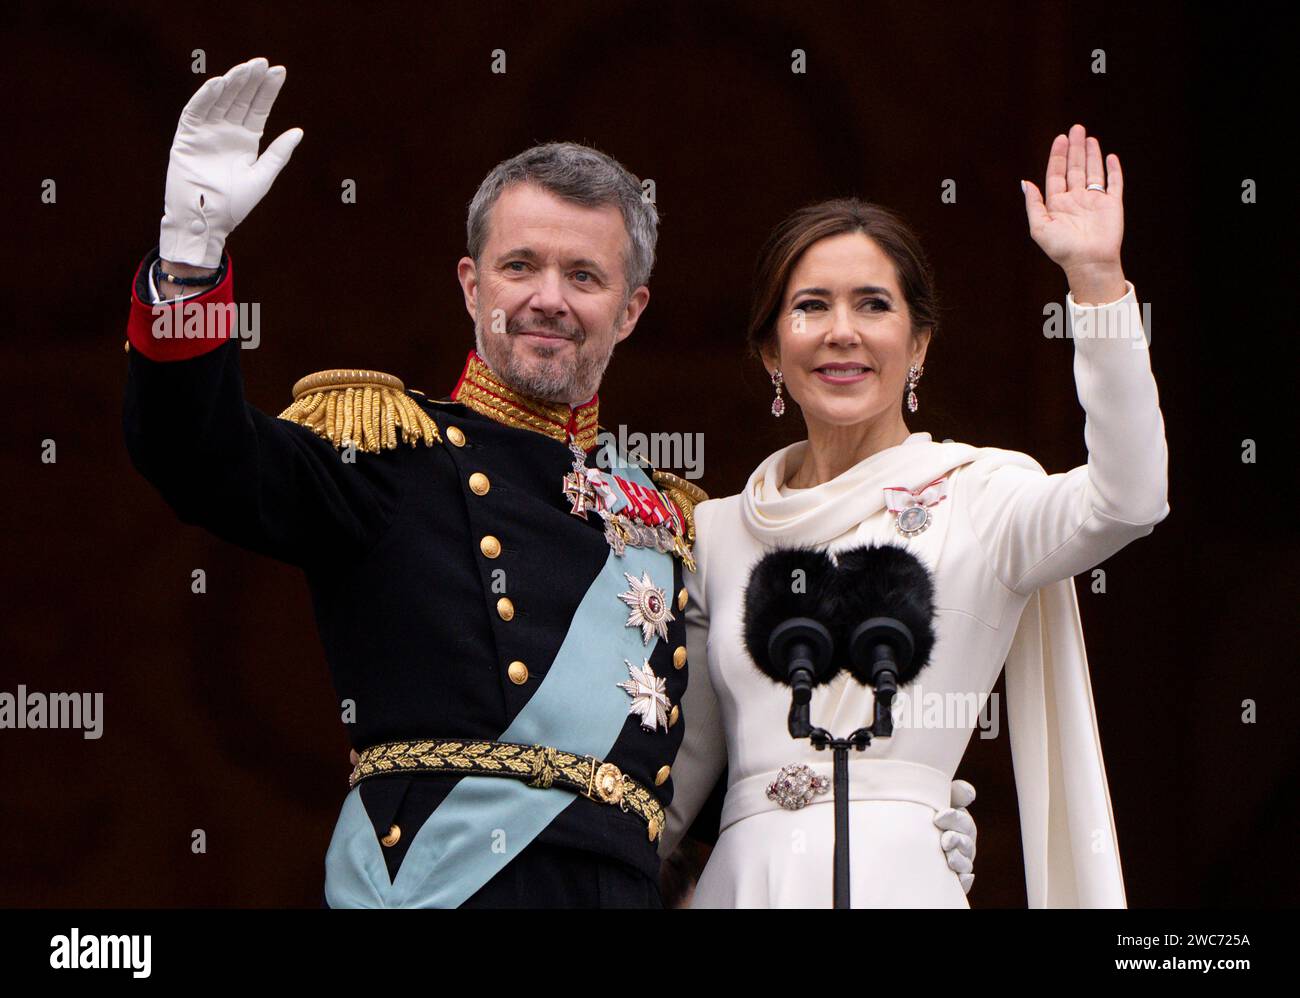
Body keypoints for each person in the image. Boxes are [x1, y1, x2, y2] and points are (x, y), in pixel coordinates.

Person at [122, 56, 977, 908]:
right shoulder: (386, 452)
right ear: (471, 285)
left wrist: (879, 814)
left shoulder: (679, 523)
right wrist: (191, 264)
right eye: (519, 266)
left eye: (583, 276)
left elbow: (725, 765)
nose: (548, 299)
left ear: (631, 309)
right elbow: (198, 457)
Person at [660, 124, 1168, 907]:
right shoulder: (716, 531)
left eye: (873, 305)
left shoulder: (983, 492)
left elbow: (1129, 498)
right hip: (739, 884)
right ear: (771, 350)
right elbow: (677, 777)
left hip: (900, 881)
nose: (842, 332)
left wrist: (1096, 281)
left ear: (919, 342)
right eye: (810, 306)